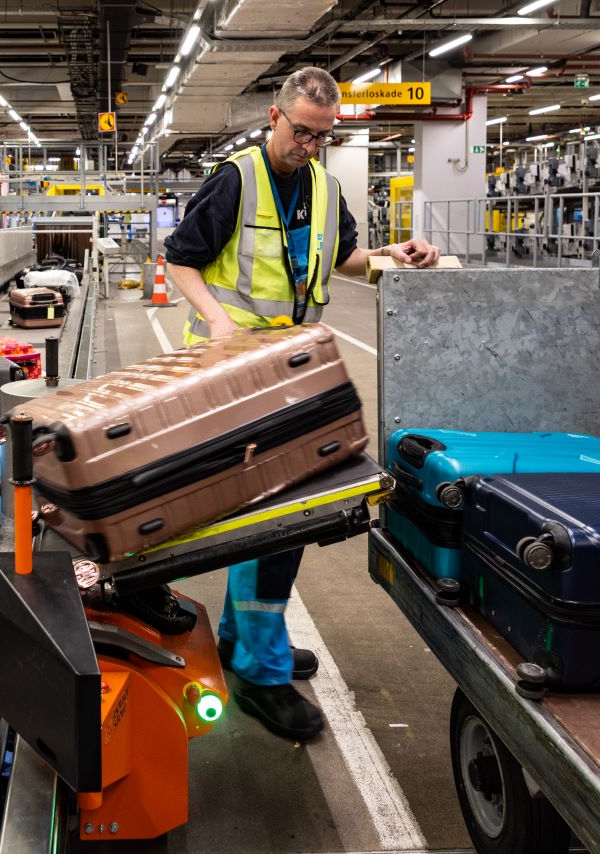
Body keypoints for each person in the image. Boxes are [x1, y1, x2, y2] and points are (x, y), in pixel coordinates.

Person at [163, 67, 441, 741]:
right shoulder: (236, 180)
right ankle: (260, 675)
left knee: (280, 519)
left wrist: (392, 257)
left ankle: (243, 642)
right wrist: (217, 321)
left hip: (290, 375)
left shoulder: (324, 185)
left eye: (323, 136)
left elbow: (343, 258)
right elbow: (179, 260)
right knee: (274, 522)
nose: (310, 146)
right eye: (303, 132)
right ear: (275, 116)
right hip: (234, 376)